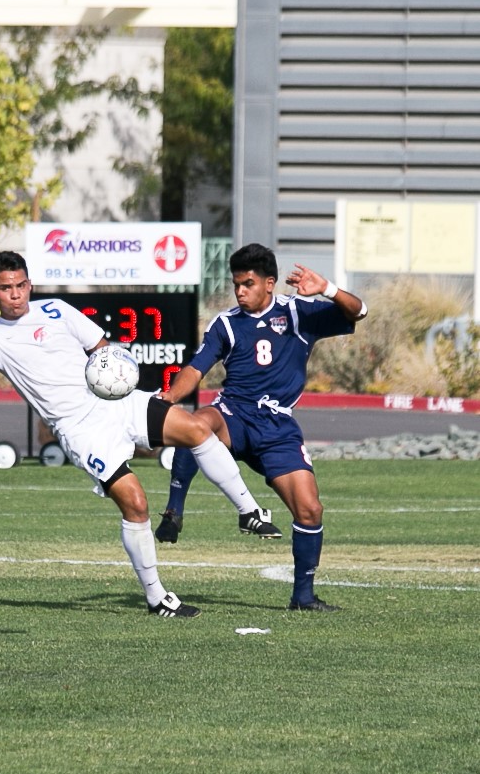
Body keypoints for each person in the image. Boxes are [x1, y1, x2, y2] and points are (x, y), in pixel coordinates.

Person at [0, 251, 278, 618]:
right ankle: (157, 598)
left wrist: (114, 373)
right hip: (81, 430)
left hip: (116, 402)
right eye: (5, 289)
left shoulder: (57, 310)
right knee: (136, 504)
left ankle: (248, 511)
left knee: (195, 428)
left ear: (29, 284)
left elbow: (101, 349)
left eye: (20, 285)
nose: (15, 294)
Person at [152, 243, 366, 613]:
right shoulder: (226, 323)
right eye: (236, 284)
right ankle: (173, 512)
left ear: (270, 283)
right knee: (196, 422)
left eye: (248, 284)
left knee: (310, 510)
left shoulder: (298, 313)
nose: (240, 291)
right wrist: (169, 398)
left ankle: (303, 597)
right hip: (234, 414)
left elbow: (359, 312)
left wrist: (328, 289)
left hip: (278, 426)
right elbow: (196, 368)